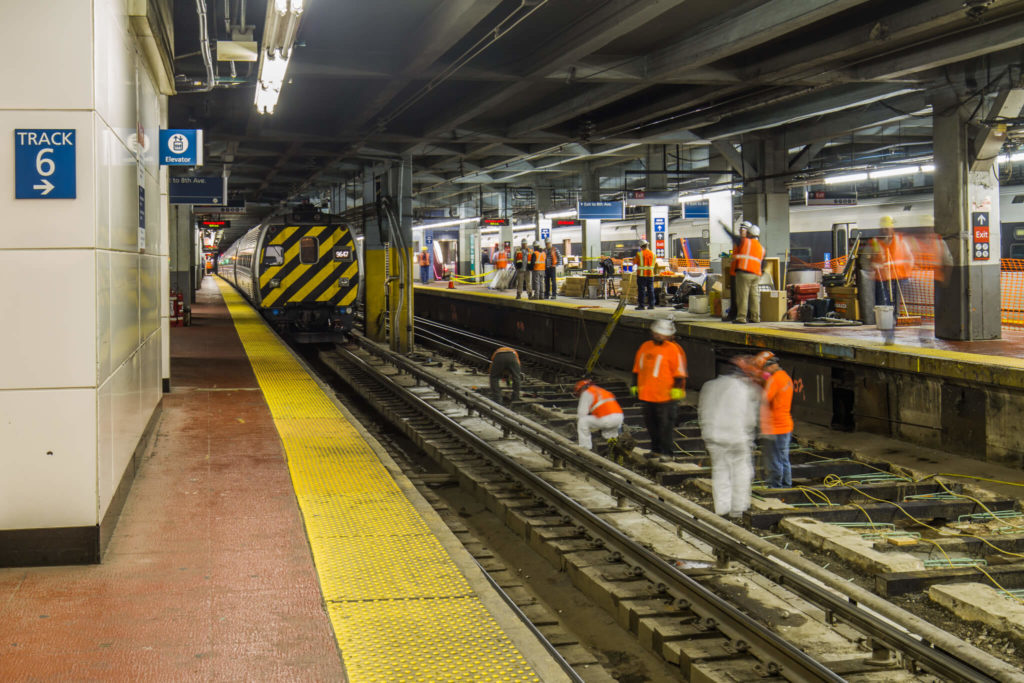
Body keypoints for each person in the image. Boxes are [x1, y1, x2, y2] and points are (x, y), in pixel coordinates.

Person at [698, 357, 760, 518]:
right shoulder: (743, 389)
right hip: (736, 438)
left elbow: (703, 412)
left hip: (714, 437)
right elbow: (749, 418)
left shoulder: (709, 386)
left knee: (720, 472)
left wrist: (707, 433)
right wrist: (749, 437)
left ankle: (722, 509)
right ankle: (738, 509)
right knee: (741, 473)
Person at [631, 317, 687, 458]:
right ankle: (656, 450)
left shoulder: (674, 350)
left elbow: (679, 372)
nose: (658, 335)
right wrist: (634, 384)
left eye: (661, 333)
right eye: (656, 332)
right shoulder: (645, 347)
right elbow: (638, 368)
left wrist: (677, 388)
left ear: (669, 335)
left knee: (665, 426)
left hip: (666, 396)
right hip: (648, 394)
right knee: (652, 425)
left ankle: (667, 453)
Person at [758, 353, 794, 489]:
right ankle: (786, 485)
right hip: (786, 425)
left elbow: (765, 399)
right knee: (784, 458)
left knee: (774, 459)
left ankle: (775, 486)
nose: (765, 372)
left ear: (772, 366)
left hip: (776, 427)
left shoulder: (775, 380)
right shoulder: (786, 378)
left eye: (766, 368)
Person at [723, 219, 765, 324]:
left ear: (749, 234)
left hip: (744, 273)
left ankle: (741, 317)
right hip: (756, 275)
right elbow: (764, 263)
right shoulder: (761, 248)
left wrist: (724, 227)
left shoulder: (745, 242)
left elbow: (733, 237)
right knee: (754, 296)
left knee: (742, 296)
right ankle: (755, 317)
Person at [870, 216, 914, 313]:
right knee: (884, 304)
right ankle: (886, 320)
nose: (884, 231)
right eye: (883, 229)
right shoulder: (875, 242)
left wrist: (897, 266)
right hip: (882, 279)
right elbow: (868, 262)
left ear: (891, 228)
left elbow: (909, 259)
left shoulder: (901, 241)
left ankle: (896, 318)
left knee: (897, 305)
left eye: (887, 228)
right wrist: (875, 266)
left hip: (899, 278)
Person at [573, 379, 624, 451]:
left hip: (607, 419)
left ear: (581, 390)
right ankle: (612, 451)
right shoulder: (602, 391)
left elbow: (582, 413)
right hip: (619, 418)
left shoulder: (587, 393)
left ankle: (585, 448)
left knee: (582, 421)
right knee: (609, 437)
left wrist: (577, 423)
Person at [634, 238, 656, 310]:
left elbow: (635, 262)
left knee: (641, 291)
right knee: (651, 290)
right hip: (650, 275)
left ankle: (641, 305)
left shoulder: (639, 254)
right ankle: (651, 305)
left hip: (641, 275)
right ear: (647, 245)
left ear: (641, 247)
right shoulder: (653, 254)